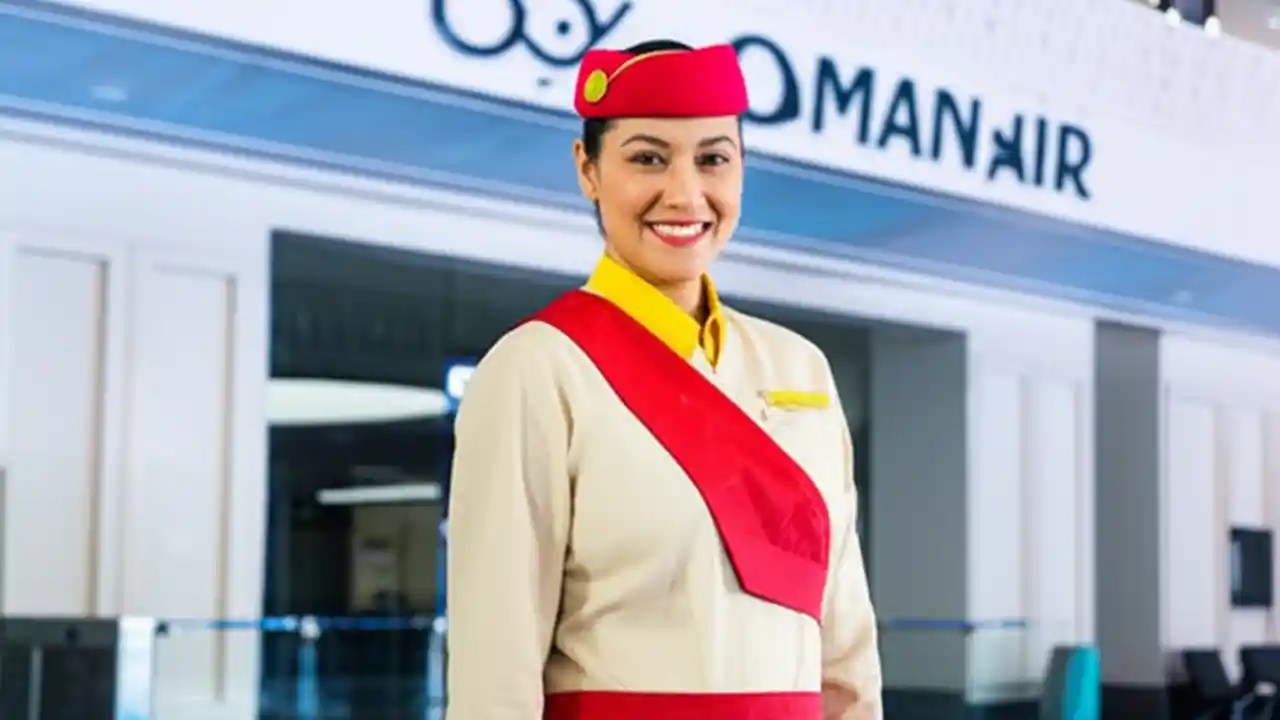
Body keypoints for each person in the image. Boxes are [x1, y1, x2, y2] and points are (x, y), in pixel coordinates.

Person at [446, 38, 882, 720]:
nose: (685, 194)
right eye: (648, 158)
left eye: (713, 159)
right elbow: (492, 664)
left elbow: (847, 644)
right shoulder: (538, 369)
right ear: (587, 170)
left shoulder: (800, 368)